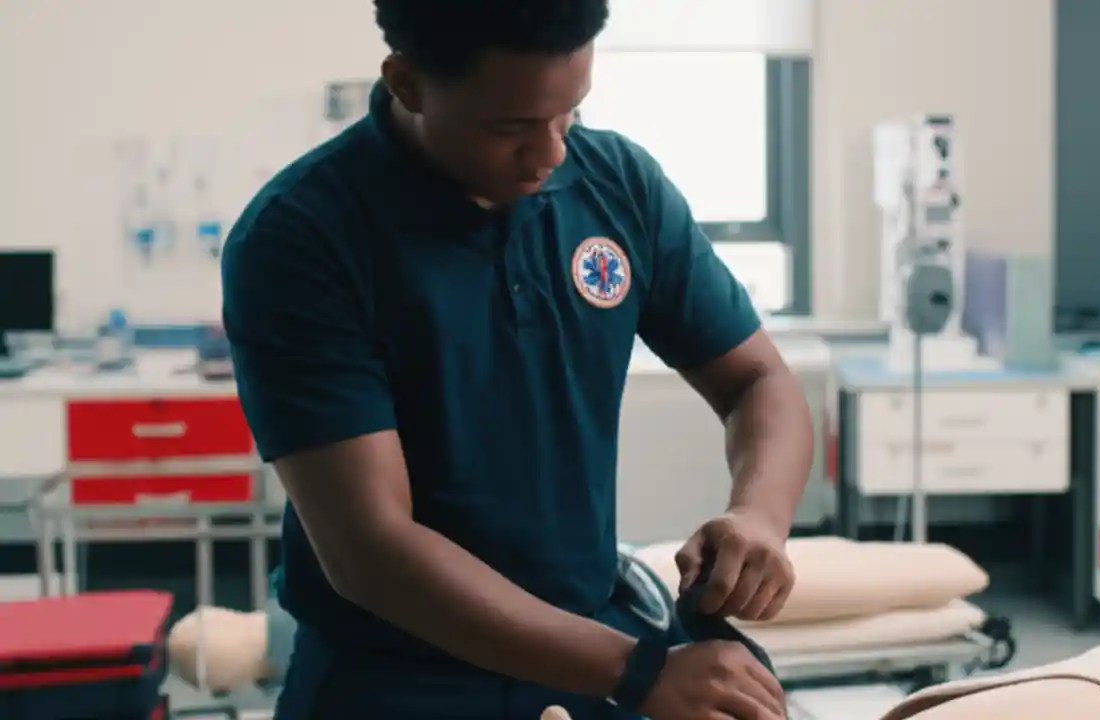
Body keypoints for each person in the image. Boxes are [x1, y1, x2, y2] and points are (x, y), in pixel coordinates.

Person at [219, 1, 815, 718]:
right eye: (511, 128)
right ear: (406, 83)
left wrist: (758, 516)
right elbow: (372, 551)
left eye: (570, 113)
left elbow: (756, 379)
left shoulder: (617, 185)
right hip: (399, 676)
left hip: (589, 648)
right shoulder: (302, 237)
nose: (550, 156)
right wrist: (638, 672)